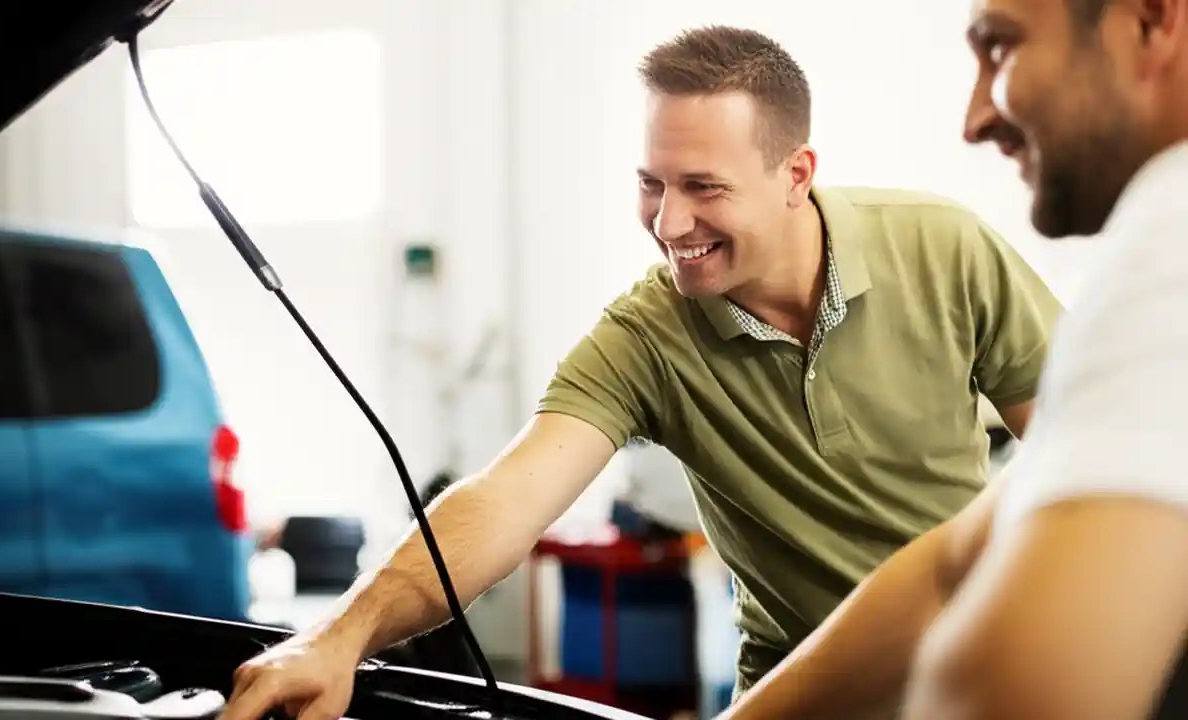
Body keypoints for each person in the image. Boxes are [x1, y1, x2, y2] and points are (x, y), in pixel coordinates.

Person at [219, 25, 1062, 720]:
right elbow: (502, 502)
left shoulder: (944, 250)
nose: (668, 221)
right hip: (795, 694)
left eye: (703, 187)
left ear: (795, 175)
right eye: (650, 183)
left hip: (975, 673)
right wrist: (340, 634)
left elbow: (1083, 450)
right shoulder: (647, 335)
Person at [721, 0, 1188, 718]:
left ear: (1152, 22)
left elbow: (1004, 697)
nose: (974, 119)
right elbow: (950, 570)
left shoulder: (1170, 240)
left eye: (1000, 48)